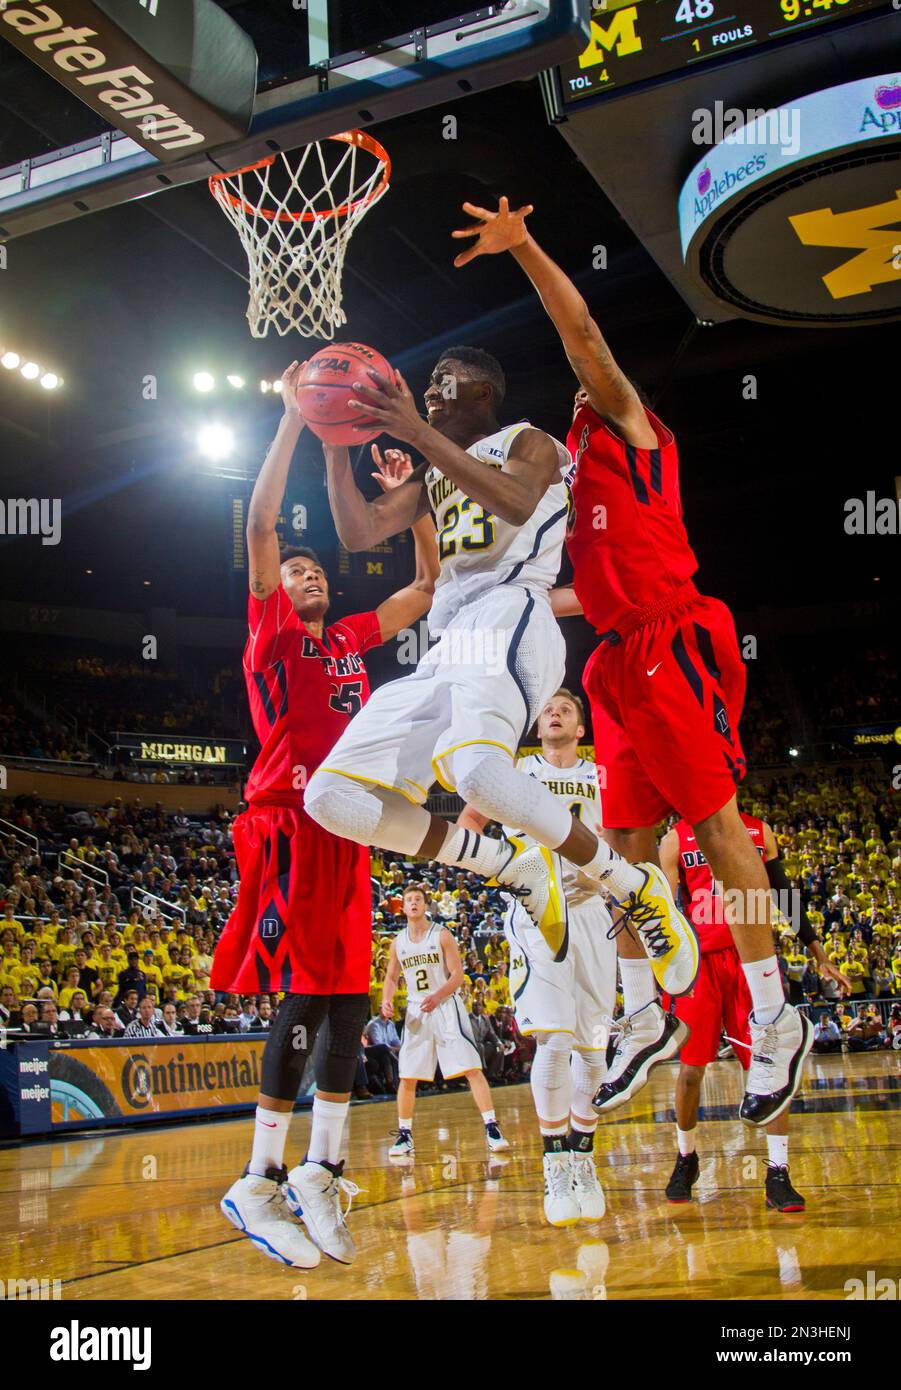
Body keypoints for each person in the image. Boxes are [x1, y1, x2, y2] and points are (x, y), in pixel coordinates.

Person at [452, 196, 813, 1126]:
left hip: (673, 638)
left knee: (717, 826)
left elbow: (583, 339)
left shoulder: (633, 430)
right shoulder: (573, 473)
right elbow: (579, 594)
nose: (580, 389)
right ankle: (643, 1009)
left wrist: (526, 245)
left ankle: (775, 1017)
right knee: (622, 850)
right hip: (617, 656)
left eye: (591, 383)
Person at [303, 348, 698, 1002]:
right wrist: (331, 441)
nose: (427, 390)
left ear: (480, 389)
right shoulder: (433, 469)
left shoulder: (528, 440)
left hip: (511, 614)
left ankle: (635, 888)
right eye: (425, 384)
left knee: (476, 771)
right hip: (447, 645)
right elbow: (357, 530)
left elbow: (515, 501)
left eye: (440, 380)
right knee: (329, 799)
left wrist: (416, 432)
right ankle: (510, 865)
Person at [215, 362, 439, 1271]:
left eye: (315, 569)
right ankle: (258, 1177)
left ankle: (322, 1166)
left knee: (350, 1002)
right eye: (293, 570)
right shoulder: (271, 631)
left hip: (345, 825)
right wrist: (290, 423)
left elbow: (423, 591)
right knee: (307, 992)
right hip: (287, 823)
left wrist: (414, 499)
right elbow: (262, 524)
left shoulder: (346, 637)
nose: (304, 574)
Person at [459, 688, 614, 1226]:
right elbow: (468, 824)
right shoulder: (514, 770)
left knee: (594, 1047)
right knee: (552, 1037)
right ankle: (554, 1163)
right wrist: (498, 864)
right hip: (536, 909)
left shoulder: (601, 774)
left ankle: (584, 1156)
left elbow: (623, 836)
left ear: (580, 729)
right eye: (548, 708)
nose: (554, 712)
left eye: (566, 709)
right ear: (537, 724)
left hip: (595, 911)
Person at [656, 810, 852, 1212]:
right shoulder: (675, 839)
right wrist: (665, 969)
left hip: (751, 961)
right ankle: (686, 1158)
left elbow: (782, 891)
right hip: (700, 965)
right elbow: (664, 910)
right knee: (691, 1072)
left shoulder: (759, 831)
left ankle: (778, 1173)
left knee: (766, 1068)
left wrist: (818, 953)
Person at [382, 884, 509, 1158]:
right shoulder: (397, 942)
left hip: (445, 1008)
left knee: (472, 1068)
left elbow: (457, 976)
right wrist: (386, 1000)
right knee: (407, 1075)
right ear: (403, 908)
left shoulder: (441, 934)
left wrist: (438, 996)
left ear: (426, 905)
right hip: (417, 1010)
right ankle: (404, 1135)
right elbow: (391, 977)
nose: (414, 903)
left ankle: (492, 1128)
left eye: (418, 899)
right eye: (409, 900)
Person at [363, 1012, 401, 1094]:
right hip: (370, 1052)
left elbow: (396, 1041)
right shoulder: (373, 1024)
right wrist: (393, 1049)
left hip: (386, 1052)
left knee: (386, 1055)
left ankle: (390, 1084)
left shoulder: (391, 1024)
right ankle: (391, 1083)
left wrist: (399, 1048)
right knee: (384, 1048)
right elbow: (378, 1043)